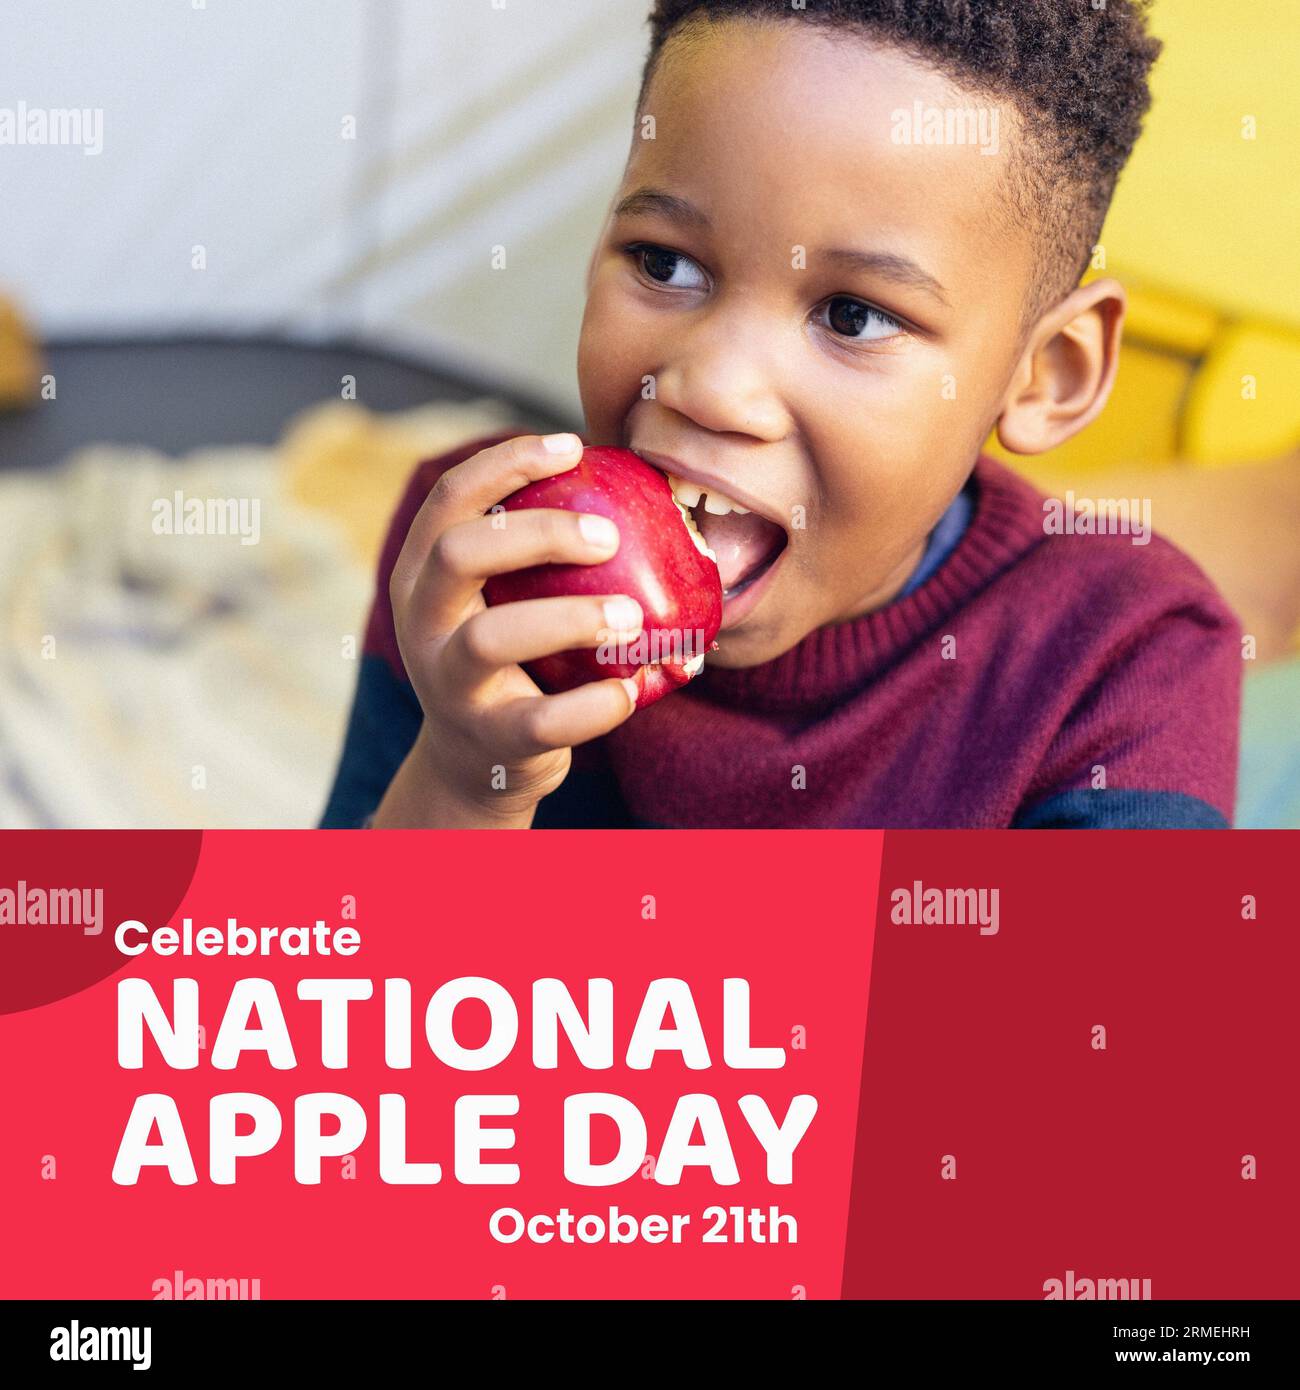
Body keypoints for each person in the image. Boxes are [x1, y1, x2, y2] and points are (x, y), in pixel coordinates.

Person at [322, 0, 1241, 830]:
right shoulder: (478, 548)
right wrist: (464, 771)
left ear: (1047, 374)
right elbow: (341, 995)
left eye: (853, 316)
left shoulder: (1124, 658)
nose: (712, 386)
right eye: (664, 263)